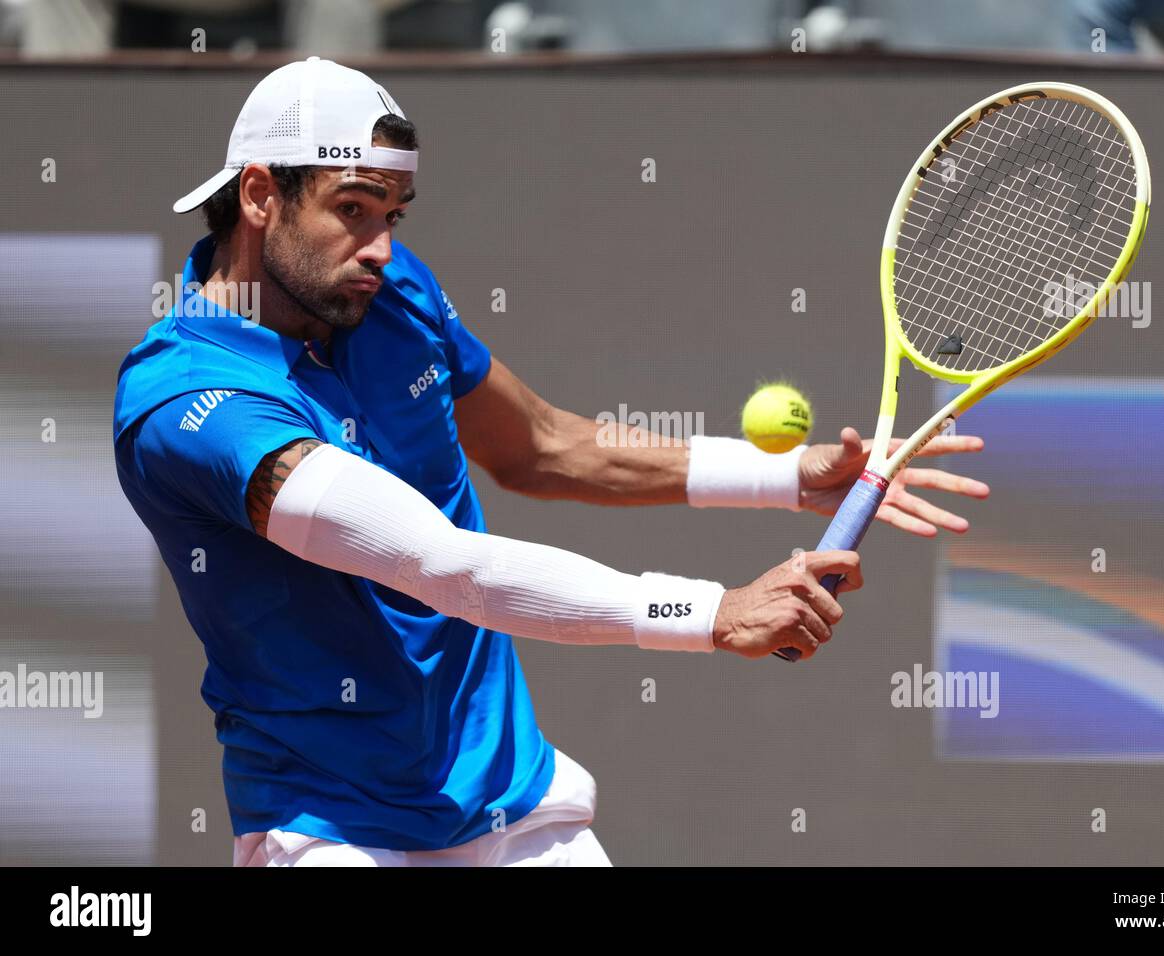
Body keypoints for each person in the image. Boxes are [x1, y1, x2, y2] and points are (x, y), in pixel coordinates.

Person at [113, 57, 989, 867]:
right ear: (261, 195)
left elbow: (538, 445)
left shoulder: (385, 290)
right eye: (353, 208)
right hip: (333, 833)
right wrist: (714, 612)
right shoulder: (188, 406)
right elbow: (440, 565)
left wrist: (784, 477)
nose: (381, 246)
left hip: (517, 806)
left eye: (393, 214)